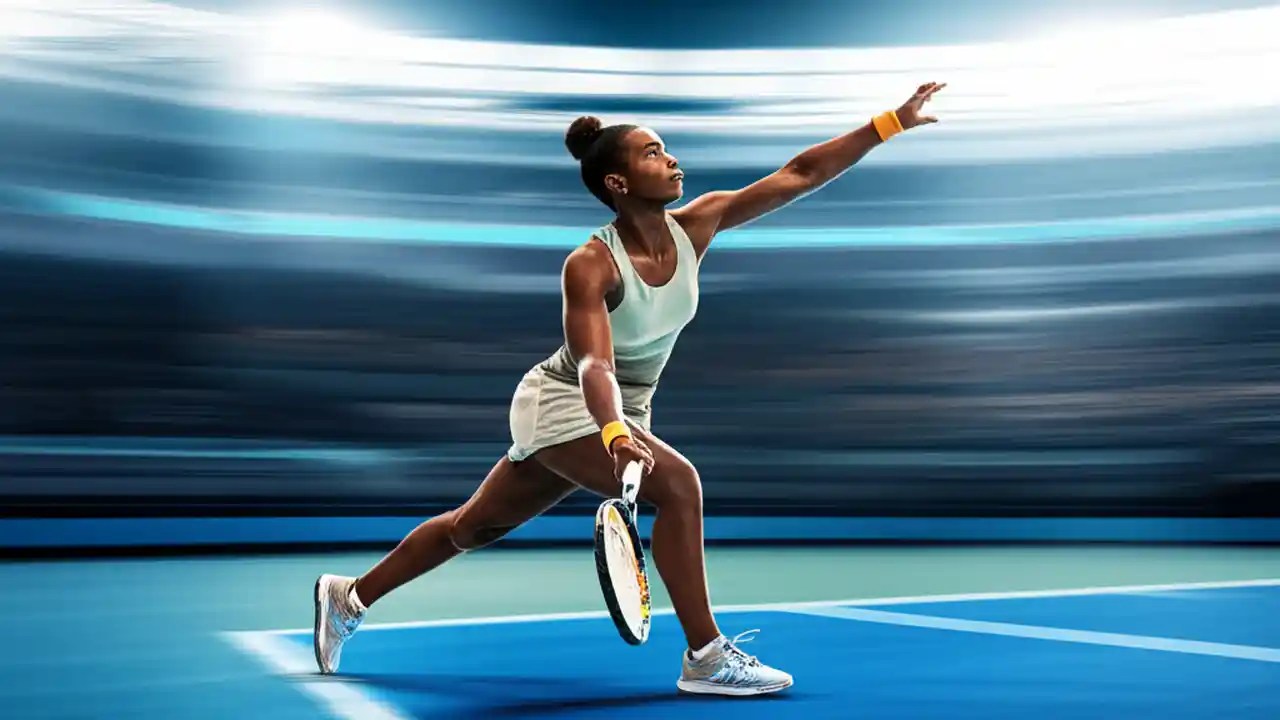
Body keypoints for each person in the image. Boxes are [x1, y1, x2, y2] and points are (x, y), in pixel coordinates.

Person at [314, 81, 946, 695]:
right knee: (681, 485)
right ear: (618, 184)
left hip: (620, 412)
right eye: (653, 153)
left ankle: (349, 596)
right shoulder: (590, 264)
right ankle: (705, 656)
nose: (672, 160)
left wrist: (890, 122)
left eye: (665, 148)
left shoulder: (698, 225)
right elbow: (594, 366)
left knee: (474, 527)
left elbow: (801, 173)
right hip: (568, 402)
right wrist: (616, 433)